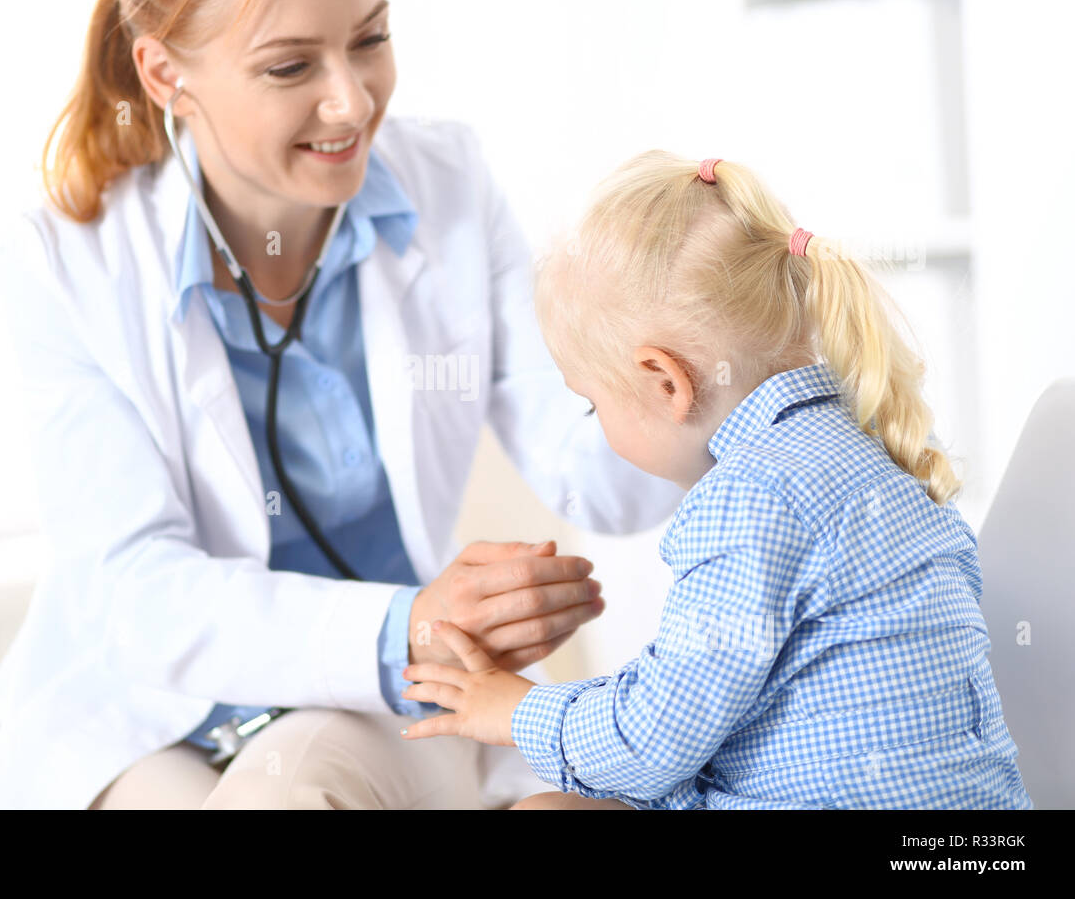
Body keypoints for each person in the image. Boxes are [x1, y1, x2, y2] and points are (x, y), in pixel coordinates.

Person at [0, 0, 684, 810]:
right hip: (142, 710)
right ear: (166, 73)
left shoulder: (449, 186)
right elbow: (137, 590)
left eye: (371, 40)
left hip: (384, 693)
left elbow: (583, 456)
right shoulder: (65, 259)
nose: (352, 99)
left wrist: (689, 392)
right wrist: (411, 623)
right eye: (291, 65)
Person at [399, 152, 1034, 810]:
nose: (599, 427)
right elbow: (694, 701)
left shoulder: (749, 499)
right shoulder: (888, 438)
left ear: (665, 381)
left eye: (593, 404)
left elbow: (649, 746)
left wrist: (519, 712)